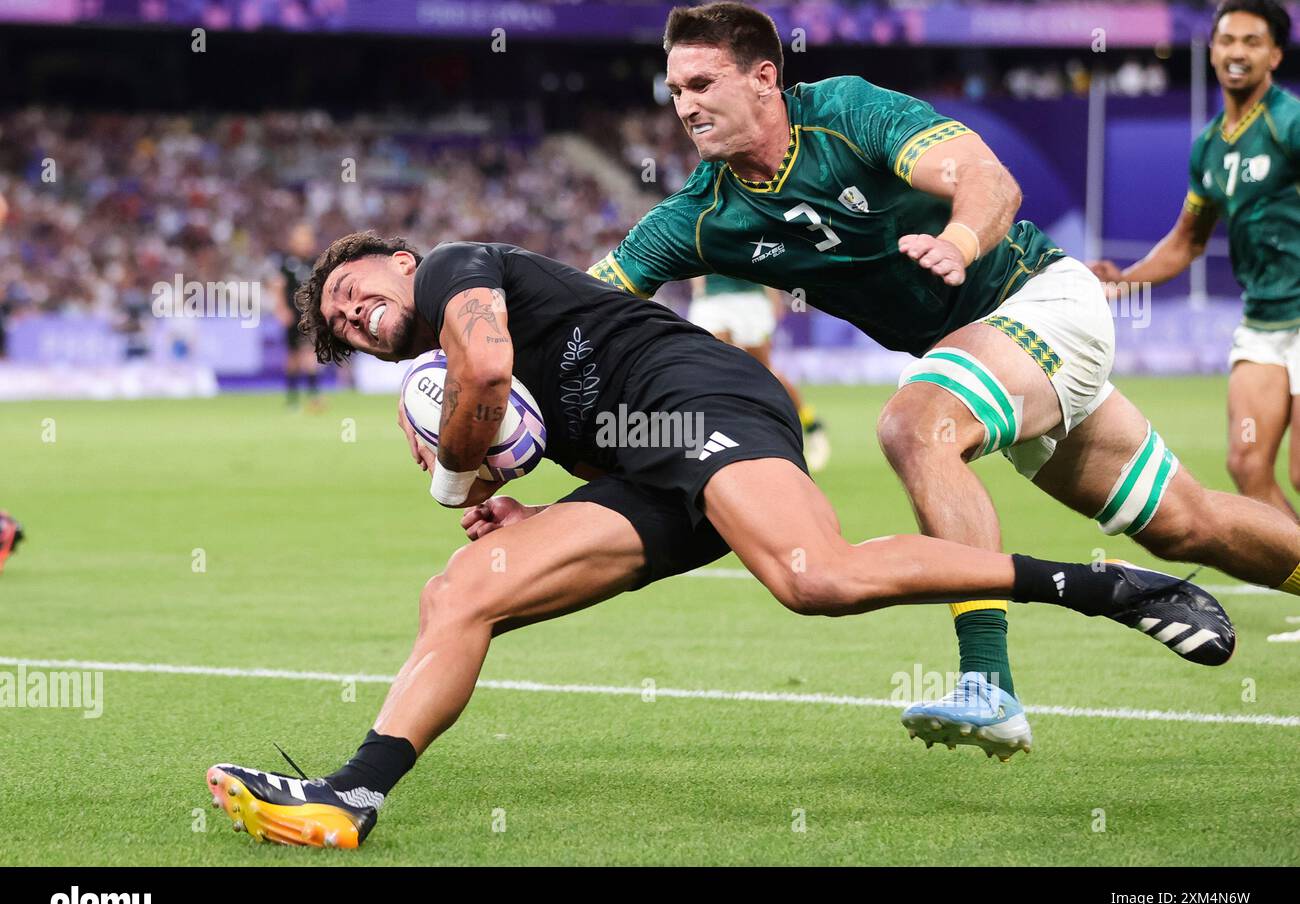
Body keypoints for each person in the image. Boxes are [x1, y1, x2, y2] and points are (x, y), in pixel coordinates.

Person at [205, 231, 1234, 849]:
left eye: (354, 291)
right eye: (341, 325)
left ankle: (1112, 589)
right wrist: (529, 506)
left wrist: (453, 474)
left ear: (401, 260)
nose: (355, 315)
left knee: (812, 575)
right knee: (465, 586)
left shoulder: (458, 277)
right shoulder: (452, 358)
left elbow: (479, 378)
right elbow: (568, 427)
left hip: (703, 400)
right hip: (650, 464)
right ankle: (354, 793)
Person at [586, 1, 1300, 757]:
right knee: (1190, 525)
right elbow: (583, 307)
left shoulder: (847, 113)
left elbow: (989, 181)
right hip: (995, 360)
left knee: (912, 425)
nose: (684, 105)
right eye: (675, 89)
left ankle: (988, 687)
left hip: (1040, 301)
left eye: (701, 83)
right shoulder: (700, 215)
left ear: (764, 78)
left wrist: (960, 240)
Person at [1090, 0, 1299, 521]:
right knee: (1248, 465)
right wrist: (1127, 280)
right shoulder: (1208, 147)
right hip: (1263, 321)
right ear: (1212, 51)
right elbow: (1189, 239)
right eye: (1227, 40)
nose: (1237, 52)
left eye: (1253, 42)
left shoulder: (1290, 123)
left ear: (1275, 55)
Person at [687, 274, 831, 470]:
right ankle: (721, 441)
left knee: (764, 371)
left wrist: (773, 297)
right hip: (712, 299)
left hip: (749, 299)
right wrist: (698, 287)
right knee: (710, 367)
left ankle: (811, 424)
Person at [274, 222, 324, 410]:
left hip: (309, 316)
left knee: (310, 354)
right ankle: (293, 399)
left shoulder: (314, 263)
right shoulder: (287, 263)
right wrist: (281, 309)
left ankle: (314, 397)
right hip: (292, 315)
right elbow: (278, 286)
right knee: (293, 357)